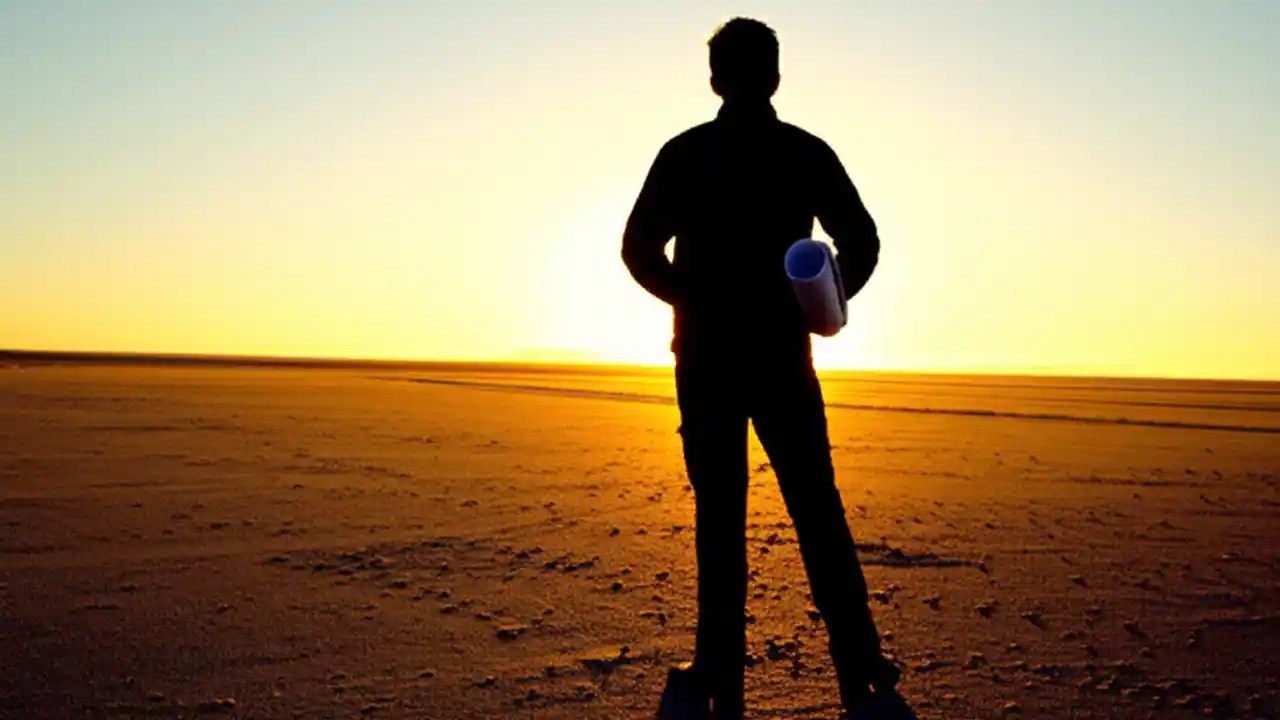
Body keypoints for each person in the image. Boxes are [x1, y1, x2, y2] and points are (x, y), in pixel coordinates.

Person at [622, 17, 913, 720]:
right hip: (781, 360)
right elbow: (863, 241)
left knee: (720, 522)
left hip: (709, 363)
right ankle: (863, 670)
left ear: (716, 80)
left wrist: (691, 298)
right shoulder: (801, 152)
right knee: (818, 513)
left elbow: (638, 250)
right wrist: (827, 297)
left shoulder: (688, 153)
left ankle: (720, 673)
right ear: (776, 78)